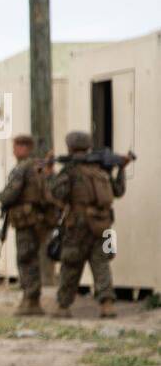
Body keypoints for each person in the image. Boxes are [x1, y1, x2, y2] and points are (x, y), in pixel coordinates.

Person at [49, 131, 129, 319]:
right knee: (101, 264)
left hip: (78, 226)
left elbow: (57, 194)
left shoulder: (70, 171)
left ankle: (63, 306)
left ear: (69, 147)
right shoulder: (102, 171)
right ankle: (107, 305)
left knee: (70, 265)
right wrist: (122, 169)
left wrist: (49, 175)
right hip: (104, 225)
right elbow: (119, 191)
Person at [0, 134, 56, 314]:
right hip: (37, 220)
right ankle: (31, 299)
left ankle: (31, 300)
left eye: (16, 146)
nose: (14, 150)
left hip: (26, 221)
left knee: (25, 259)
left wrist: (2, 197)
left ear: (25, 148)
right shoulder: (37, 167)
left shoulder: (23, 168)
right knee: (31, 258)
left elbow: (9, 195)